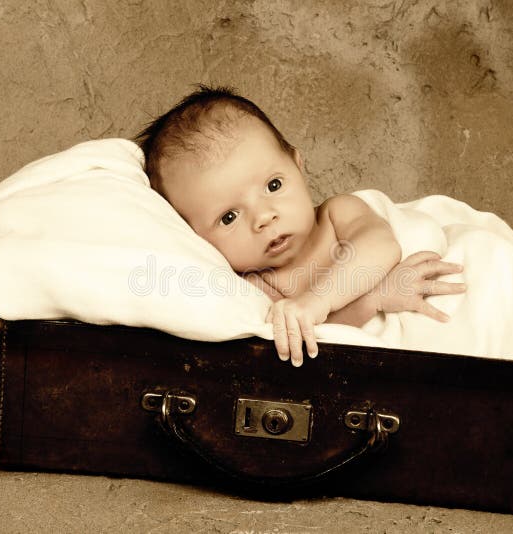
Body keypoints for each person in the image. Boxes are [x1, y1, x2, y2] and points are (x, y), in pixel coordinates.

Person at [136, 86, 466, 366]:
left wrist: (317, 300)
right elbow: (312, 337)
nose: (263, 217)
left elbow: (381, 246)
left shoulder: (337, 215)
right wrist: (374, 299)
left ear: (297, 164)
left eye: (274, 186)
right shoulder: (256, 287)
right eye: (229, 217)